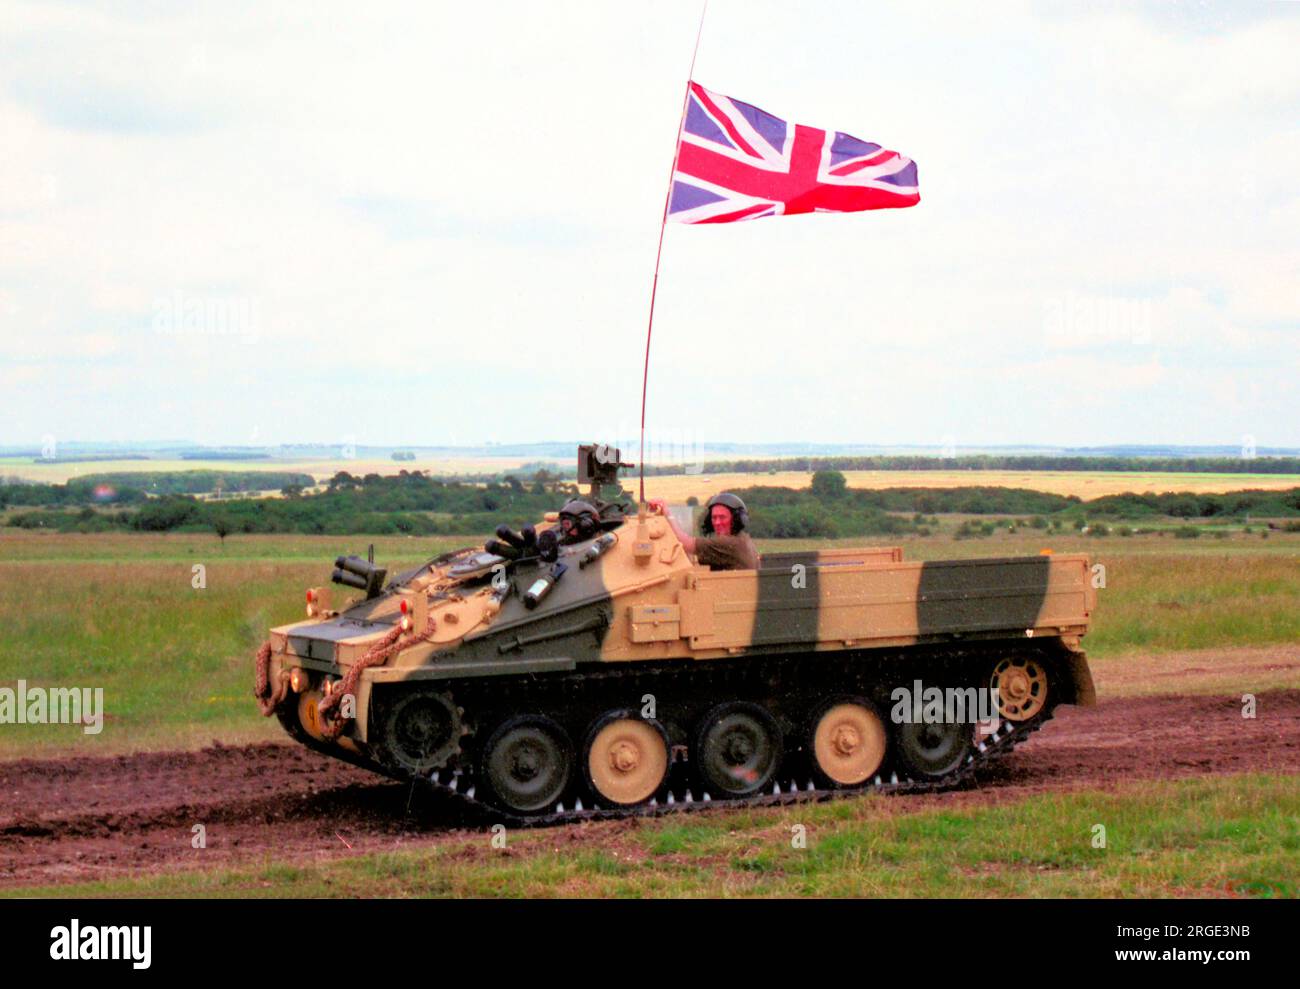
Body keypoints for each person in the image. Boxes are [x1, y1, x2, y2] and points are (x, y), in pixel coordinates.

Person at [647, 492, 760, 571]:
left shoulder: (732, 545)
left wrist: (667, 513)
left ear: (737, 520)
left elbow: (685, 543)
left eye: (722, 517)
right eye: (714, 518)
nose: (717, 522)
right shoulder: (744, 541)